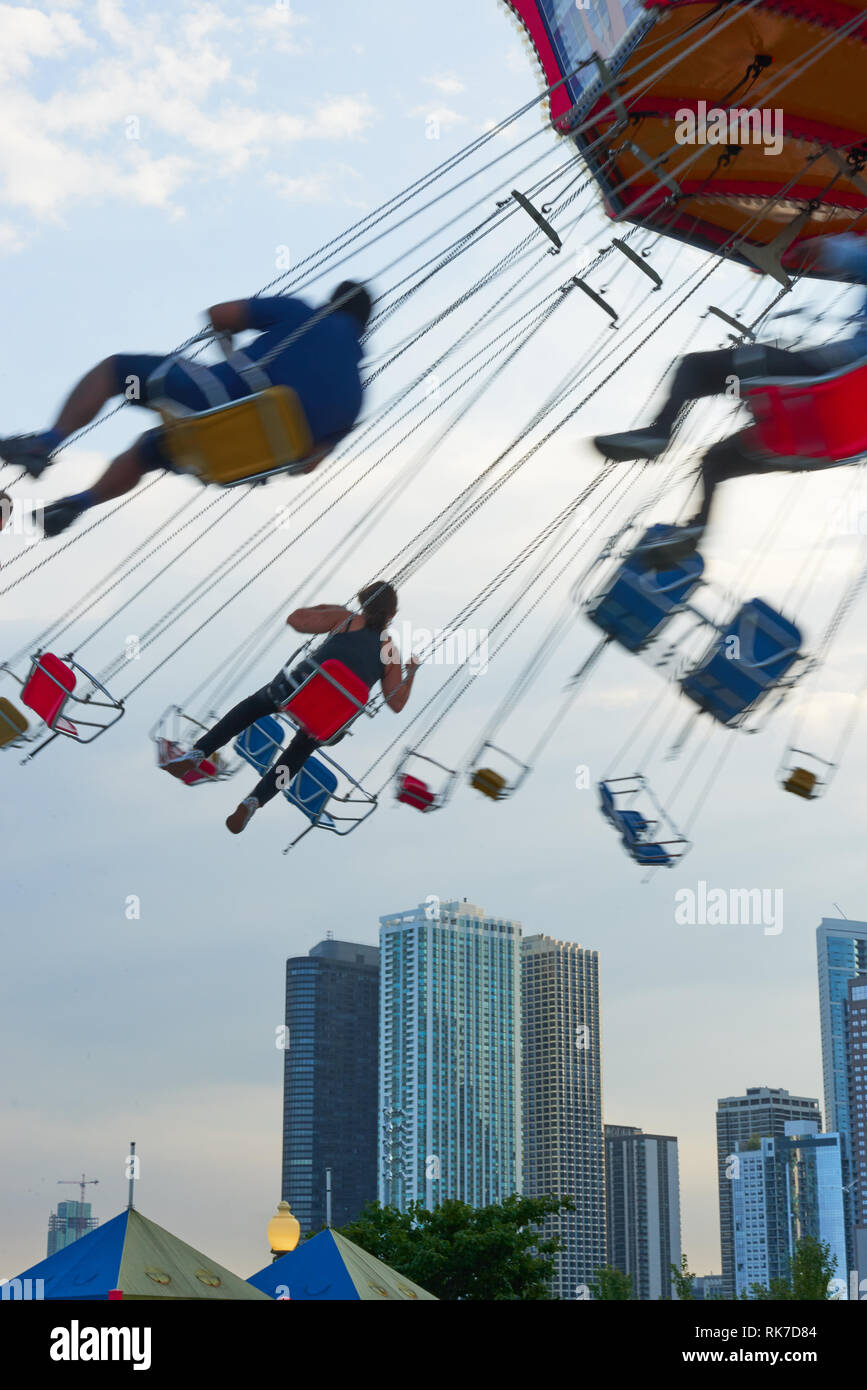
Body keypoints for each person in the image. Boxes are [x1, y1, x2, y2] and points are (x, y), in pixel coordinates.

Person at [0, 281, 373, 537]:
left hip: (210, 402)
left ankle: (44, 444)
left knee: (115, 371)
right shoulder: (355, 399)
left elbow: (219, 314)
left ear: (331, 303)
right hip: (231, 460)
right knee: (149, 451)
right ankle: (79, 503)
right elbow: (306, 464)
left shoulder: (301, 314)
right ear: (364, 328)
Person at [593, 233, 867, 554]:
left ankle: (660, 432)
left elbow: (845, 255)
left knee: (694, 369)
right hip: (832, 438)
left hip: (814, 382)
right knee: (717, 460)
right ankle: (697, 528)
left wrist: (804, 248)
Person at [162, 581, 419, 835]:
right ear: (392, 615)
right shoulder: (390, 652)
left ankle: (198, 753)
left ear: (363, 602)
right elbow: (396, 703)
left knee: (251, 708)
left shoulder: (347, 619)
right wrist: (411, 673)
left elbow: (296, 620)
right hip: (329, 718)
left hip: (298, 689)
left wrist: (326, 608)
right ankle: (255, 801)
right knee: (297, 755)